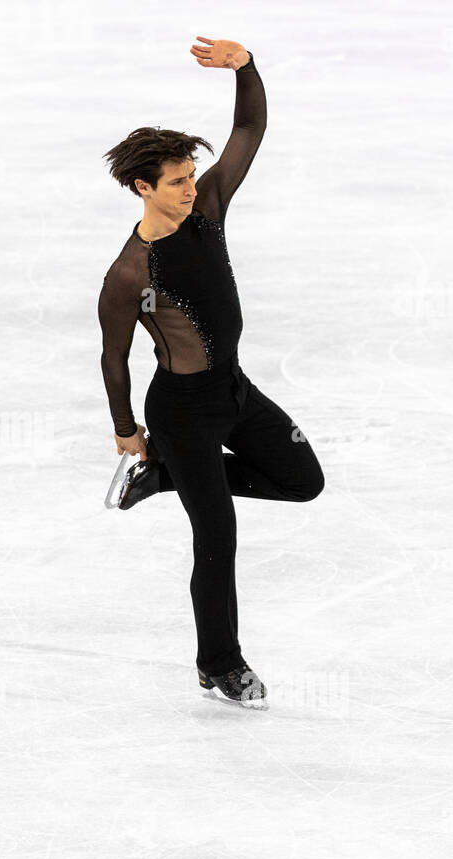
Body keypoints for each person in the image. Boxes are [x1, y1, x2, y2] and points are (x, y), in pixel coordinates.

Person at [97, 38, 324, 707]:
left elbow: (249, 127)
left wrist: (245, 64)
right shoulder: (130, 273)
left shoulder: (209, 206)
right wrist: (125, 429)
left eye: (191, 174)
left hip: (235, 390)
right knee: (217, 537)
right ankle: (218, 664)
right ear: (143, 188)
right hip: (181, 412)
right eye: (176, 180)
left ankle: (165, 478)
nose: (191, 185)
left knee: (302, 480)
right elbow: (114, 355)